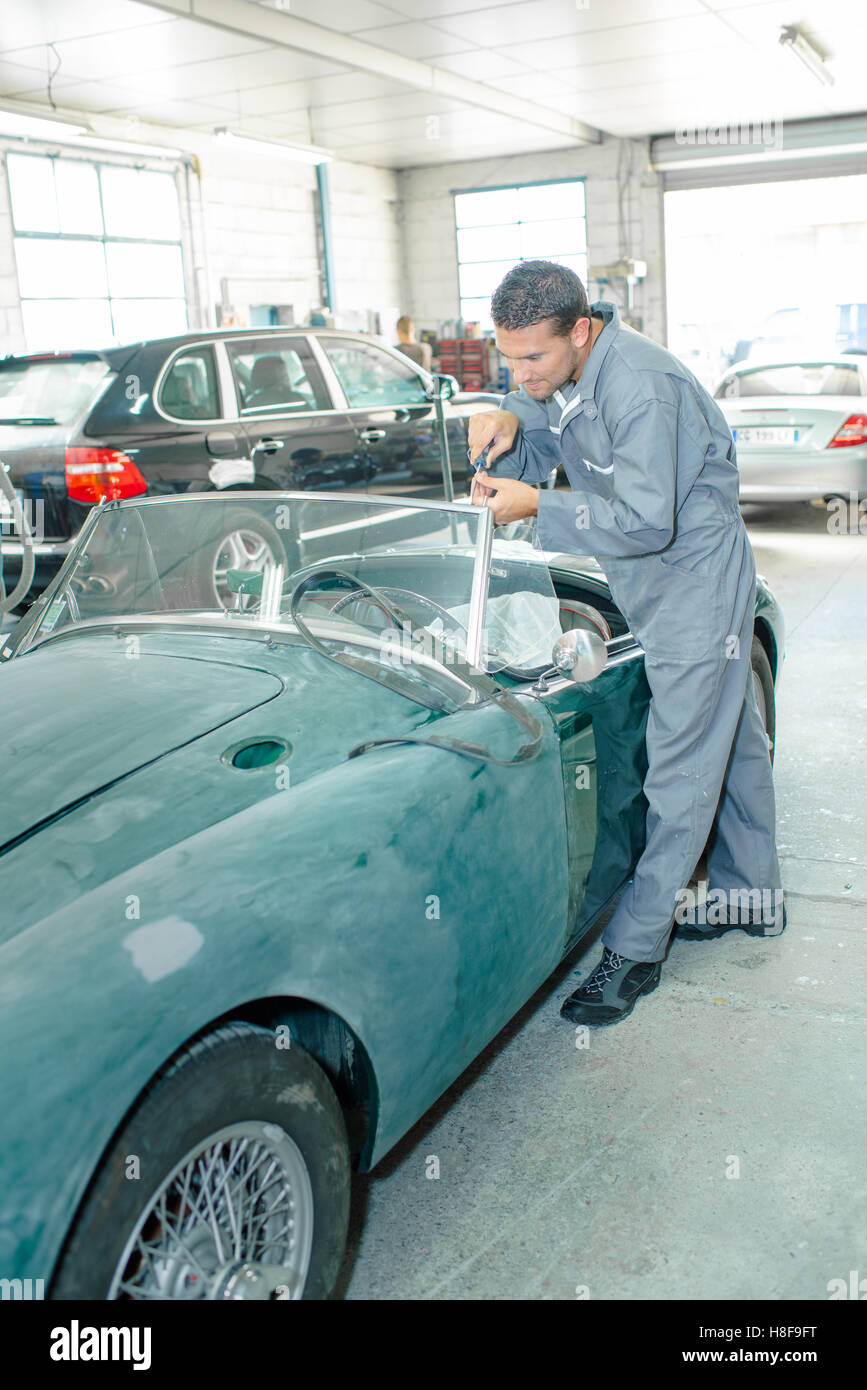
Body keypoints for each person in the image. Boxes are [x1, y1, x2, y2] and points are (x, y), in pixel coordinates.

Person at [468, 260, 784, 1028]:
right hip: (655, 585)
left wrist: (536, 505)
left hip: (693, 588)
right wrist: (507, 414)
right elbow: (543, 430)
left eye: (531, 357)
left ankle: (636, 947)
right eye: (506, 357)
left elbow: (647, 520)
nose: (520, 369)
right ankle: (752, 899)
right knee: (731, 740)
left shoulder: (640, 387)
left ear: (579, 330)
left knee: (678, 765)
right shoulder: (566, 368)